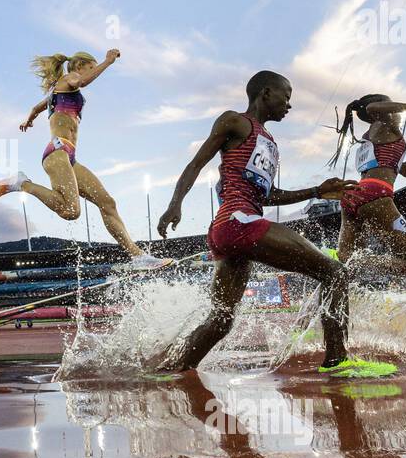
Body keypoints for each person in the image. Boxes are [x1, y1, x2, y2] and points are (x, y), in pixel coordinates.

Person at [156, 71, 368, 375]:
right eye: (287, 96)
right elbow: (196, 163)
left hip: (230, 229)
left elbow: (267, 196)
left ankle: (168, 369)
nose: (289, 105)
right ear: (266, 93)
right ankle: (337, 361)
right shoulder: (235, 121)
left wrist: (317, 191)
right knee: (334, 272)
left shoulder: (269, 143)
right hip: (240, 221)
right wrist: (175, 204)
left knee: (220, 320)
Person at [0, 49, 169, 271]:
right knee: (71, 212)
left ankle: (137, 257)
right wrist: (108, 61)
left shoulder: (56, 92)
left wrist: (29, 120)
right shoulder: (69, 78)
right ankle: (22, 183)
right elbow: (83, 81)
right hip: (57, 152)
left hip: (69, 156)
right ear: (81, 66)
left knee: (107, 203)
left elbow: (36, 107)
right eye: (91, 67)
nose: (92, 71)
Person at [327, 95, 406, 288]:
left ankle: (330, 280)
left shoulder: (372, 135)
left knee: (344, 261)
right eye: (391, 107)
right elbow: (372, 107)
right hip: (376, 193)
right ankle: (356, 262)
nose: (396, 112)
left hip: (352, 196)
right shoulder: (383, 123)